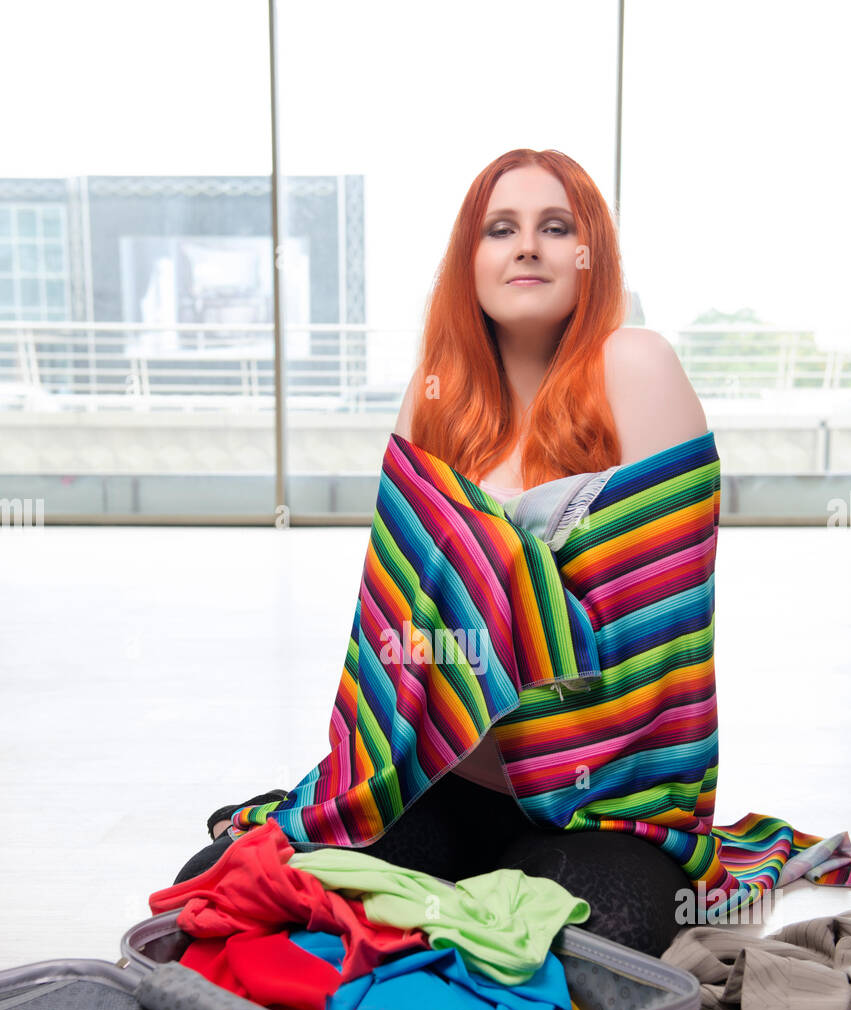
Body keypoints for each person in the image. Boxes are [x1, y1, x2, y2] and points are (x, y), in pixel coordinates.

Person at [176, 148, 707, 957]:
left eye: (555, 227)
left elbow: (657, 639)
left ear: (589, 253)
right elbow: (394, 637)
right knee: (230, 886)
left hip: (599, 800)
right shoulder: (436, 395)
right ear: (472, 260)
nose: (526, 246)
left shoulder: (635, 366)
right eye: (501, 229)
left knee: (595, 939)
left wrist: (493, 591)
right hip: (440, 781)